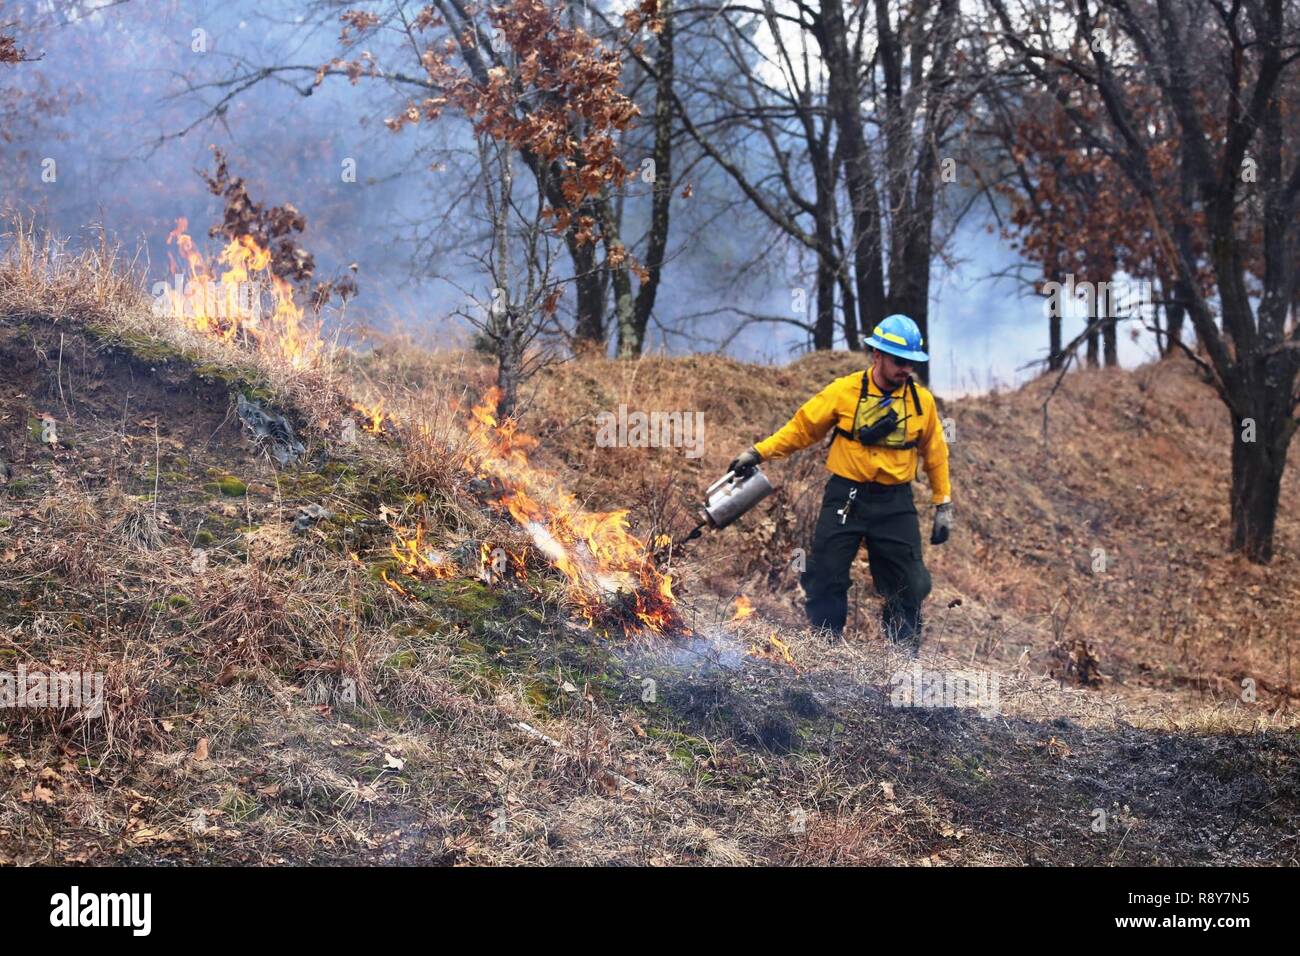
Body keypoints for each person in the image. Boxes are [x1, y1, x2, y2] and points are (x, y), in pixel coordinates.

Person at [729, 314, 952, 648]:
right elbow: (801, 429)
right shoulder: (843, 391)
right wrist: (758, 452)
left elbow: (935, 454)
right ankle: (826, 649)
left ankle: (904, 657)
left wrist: (943, 504)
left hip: (896, 502)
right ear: (877, 355)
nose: (906, 369)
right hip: (846, 497)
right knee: (824, 575)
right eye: (899, 361)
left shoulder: (923, 402)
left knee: (910, 583)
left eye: (911, 363)